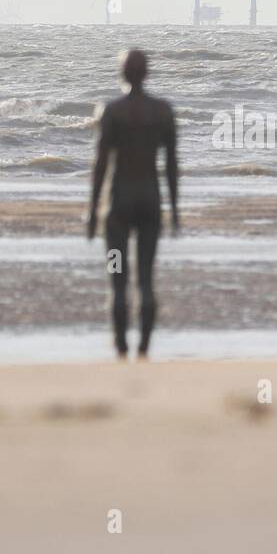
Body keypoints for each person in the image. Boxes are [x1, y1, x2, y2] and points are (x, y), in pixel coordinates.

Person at [87, 49, 179, 358]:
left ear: (123, 73)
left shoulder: (111, 111)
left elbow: (101, 165)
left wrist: (91, 210)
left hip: (119, 206)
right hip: (150, 203)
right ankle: (144, 347)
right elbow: (172, 165)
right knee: (146, 277)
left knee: (117, 275)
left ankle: (121, 346)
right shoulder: (162, 111)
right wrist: (175, 209)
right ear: (147, 72)